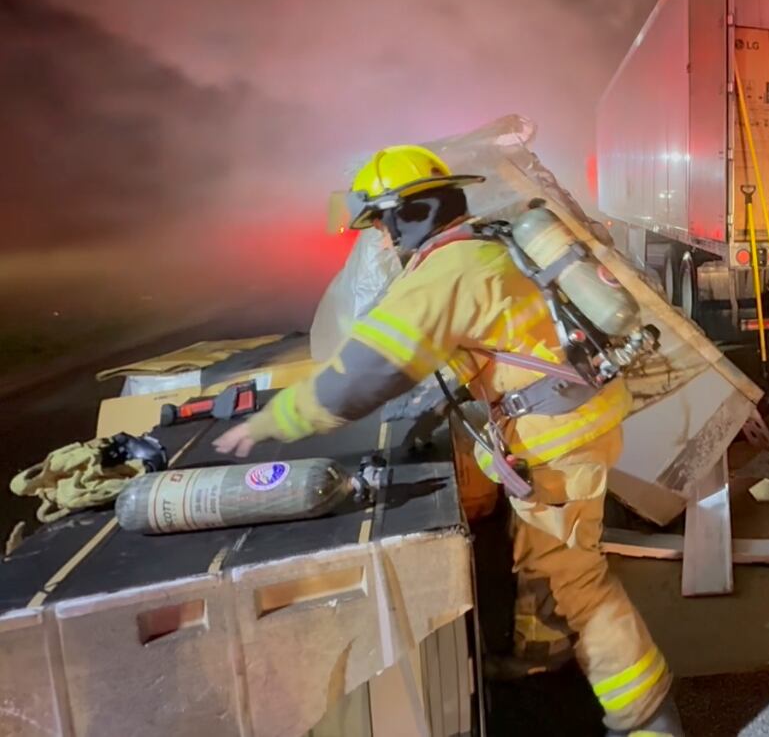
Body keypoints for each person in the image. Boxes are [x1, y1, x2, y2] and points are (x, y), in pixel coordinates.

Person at [214, 144, 682, 737]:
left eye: (381, 226)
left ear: (404, 214)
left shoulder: (445, 274)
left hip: (558, 441)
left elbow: (362, 373)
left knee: (577, 581)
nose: (382, 242)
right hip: (569, 427)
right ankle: (542, 654)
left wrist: (271, 422)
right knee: (540, 550)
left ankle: (647, 716)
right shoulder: (482, 246)